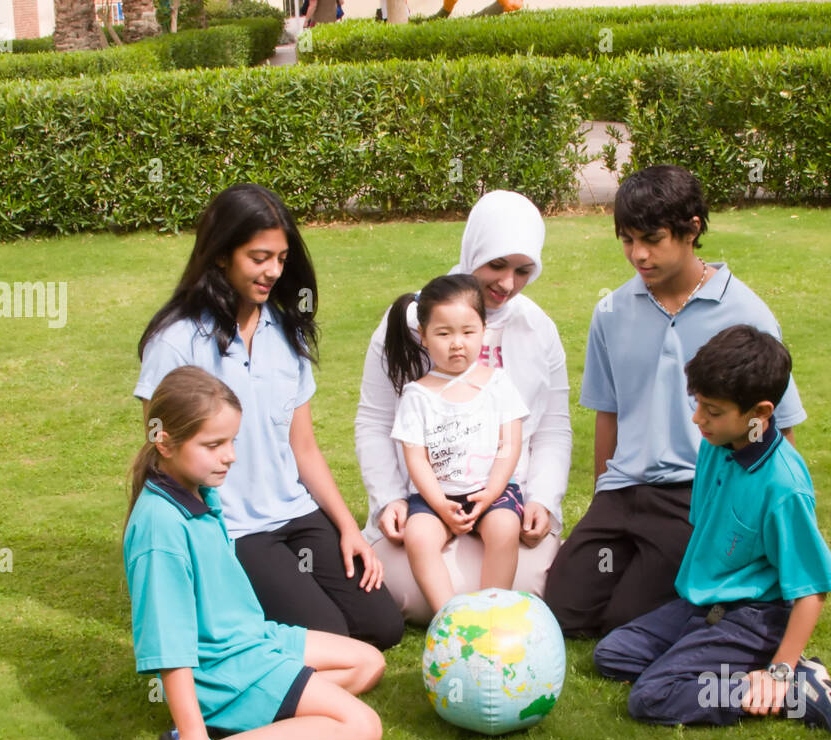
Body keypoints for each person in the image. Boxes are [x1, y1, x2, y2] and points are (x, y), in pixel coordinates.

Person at [136, 184, 403, 651]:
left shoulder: (286, 333)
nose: (274, 272)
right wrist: (196, 552)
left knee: (382, 626)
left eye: (280, 258)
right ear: (221, 255)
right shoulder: (176, 342)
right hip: (233, 527)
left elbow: (303, 448)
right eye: (259, 257)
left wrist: (347, 528)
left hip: (295, 512)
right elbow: (162, 446)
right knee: (331, 635)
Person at [543, 165, 806, 639]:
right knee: (564, 611)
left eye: (652, 239)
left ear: (692, 229)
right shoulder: (611, 312)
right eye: (626, 240)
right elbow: (609, 412)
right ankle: (636, 562)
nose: (638, 255)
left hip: (695, 494)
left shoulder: (747, 314)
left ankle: (708, 591)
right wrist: (603, 494)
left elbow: (778, 426)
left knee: (625, 622)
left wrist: (750, 522)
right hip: (622, 491)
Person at [124, 366, 385, 740]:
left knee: (369, 662)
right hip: (228, 670)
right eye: (213, 445)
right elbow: (169, 643)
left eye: (231, 441)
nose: (230, 456)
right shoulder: (159, 528)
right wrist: (191, 732)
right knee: (364, 727)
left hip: (253, 640)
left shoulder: (197, 490)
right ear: (163, 441)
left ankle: (258, 719)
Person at [593, 326, 831, 737]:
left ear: (760, 413)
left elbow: (811, 590)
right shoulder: (719, 445)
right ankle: (737, 667)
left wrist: (779, 671)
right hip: (703, 604)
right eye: (698, 405)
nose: (698, 419)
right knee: (612, 655)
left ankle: (793, 688)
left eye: (712, 411)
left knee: (650, 696)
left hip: (753, 616)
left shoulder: (784, 486)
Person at [356, 190, 571, 623]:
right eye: (496, 265)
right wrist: (388, 500)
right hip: (424, 503)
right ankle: (453, 620)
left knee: (545, 582)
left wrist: (543, 500)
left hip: (504, 503)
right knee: (401, 591)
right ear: (472, 249)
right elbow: (375, 421)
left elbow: (552, 429)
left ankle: (483, 612)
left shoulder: (537, 328)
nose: (507, 283)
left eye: (523, 270)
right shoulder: (410, 321)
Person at [385, 274, 530, 614]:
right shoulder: (418, 394)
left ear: (484, 330)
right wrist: (438, 504)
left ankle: (493, 611)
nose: (457, 343)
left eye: (468, 332)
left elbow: (510, 443)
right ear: (423, 336)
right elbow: (416, 458)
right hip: (437, 496)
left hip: (490, 491)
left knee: (505, 527)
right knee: (418, 536)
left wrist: (493, 491)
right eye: (443, 333)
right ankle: (449, 617)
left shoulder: (497, 383)